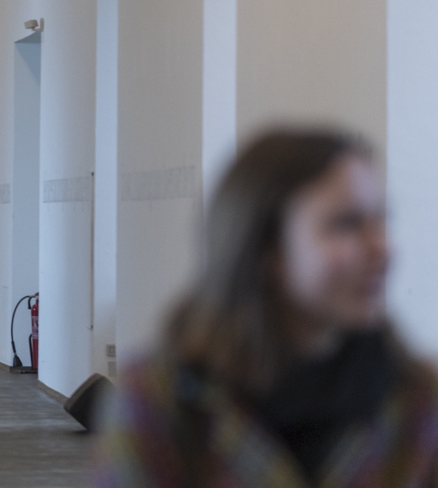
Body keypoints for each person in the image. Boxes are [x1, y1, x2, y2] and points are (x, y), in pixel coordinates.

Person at [98, 130, 438, 488]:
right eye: (347, 224)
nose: (383, 249)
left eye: (382, 221)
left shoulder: (414, 398)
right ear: (265, 246)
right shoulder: (161, 401)